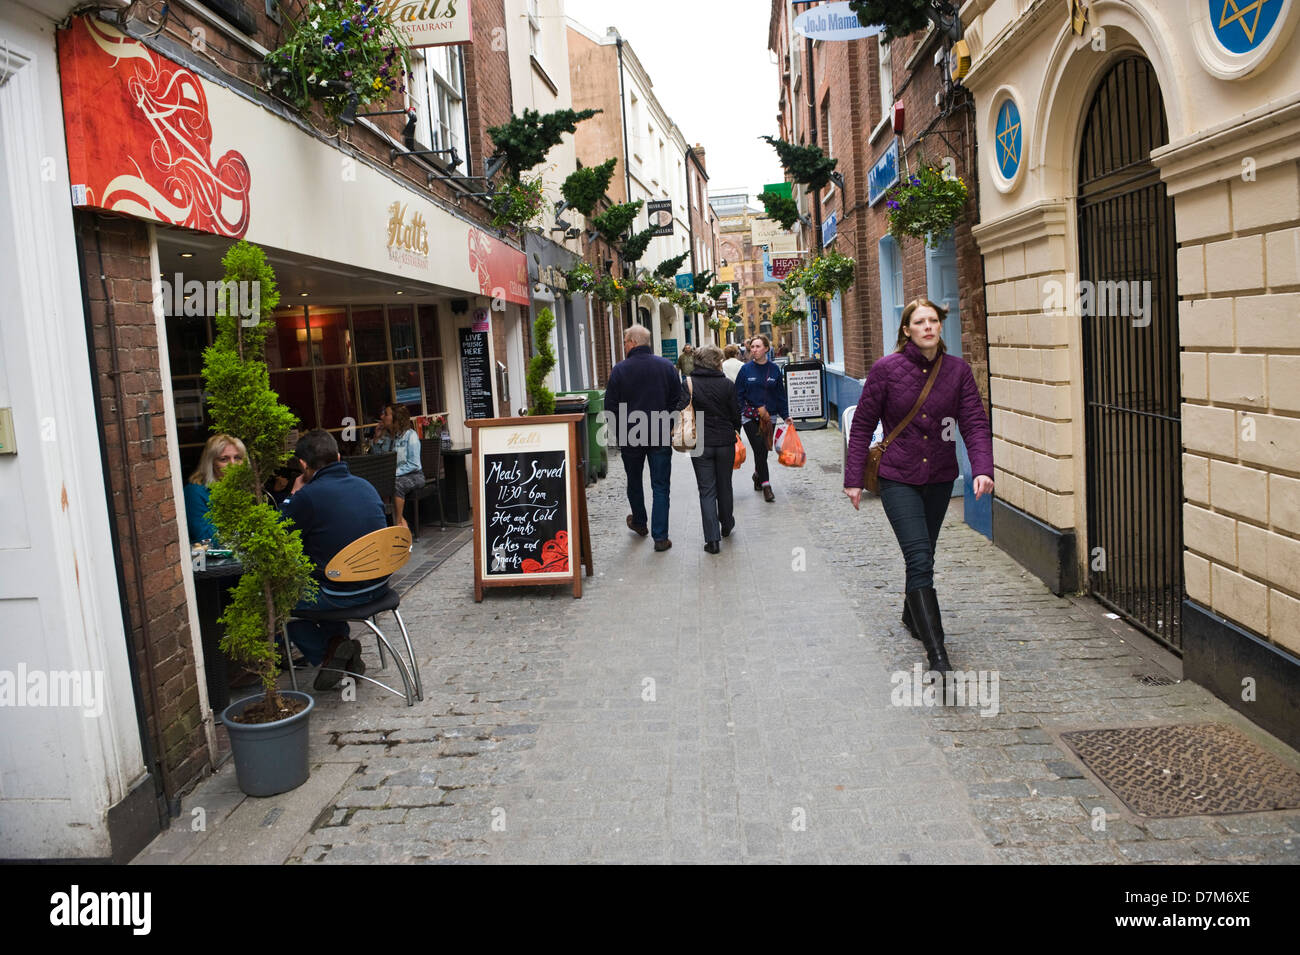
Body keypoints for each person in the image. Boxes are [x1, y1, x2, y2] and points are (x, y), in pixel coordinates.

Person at [843, 299, 994, 675]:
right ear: (907, 330)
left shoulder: (957, 371)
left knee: (924, 553)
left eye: (933, 320)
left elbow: (974, 422)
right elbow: (862, 425)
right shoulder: (886, 370)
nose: (927, 326)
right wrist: (853, 479)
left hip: (941, 477)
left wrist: (982, 468)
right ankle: (938, 654)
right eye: (919, 321)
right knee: (919, 558)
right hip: (897, 477)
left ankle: (913, 616)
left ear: (940, 327)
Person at [280, 429, 390, 689]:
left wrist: (292, 496)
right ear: (339, 456)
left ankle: (328, 653)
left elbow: (278, 535)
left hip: (341, 594)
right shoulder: (366, 486)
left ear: (303, 465)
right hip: (379, 586)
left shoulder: (307, 497)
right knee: (329, 576)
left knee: (281, 601)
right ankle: (340, 648)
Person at [603, 323, 685, 553]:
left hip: (631, 435)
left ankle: (639, 522)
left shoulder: (620, 370)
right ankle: (660, 537)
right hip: (659, 432)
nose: (625, 346)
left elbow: (610, 405)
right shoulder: (667, 366)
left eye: (626, 342)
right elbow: (677, 399)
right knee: (660, 485)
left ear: (633, 343)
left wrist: (619, 431)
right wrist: (669, 422)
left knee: (634, 481)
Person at [687, 344, 742, 554]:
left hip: (700, 443)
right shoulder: (727, 385)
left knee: (706, 490)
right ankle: (727, 524)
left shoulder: (689, 384)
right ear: (716, 362)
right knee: (724, 485)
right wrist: (734, 430)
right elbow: (736, 414)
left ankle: (712, 540)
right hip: (725, 441)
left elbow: (680, 411)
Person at [735, 334, 789, 503]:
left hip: (769, 417)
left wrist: (786, 416)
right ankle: (766, 485)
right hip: (749, 416)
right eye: (752, 347)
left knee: (764, 450)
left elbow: (780, 395)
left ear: (766, 348)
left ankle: (758, 475)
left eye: (758, 346)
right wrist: (743, 411)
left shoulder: (774, 370)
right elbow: (738, 395)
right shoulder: (745, 370)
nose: (754, 350)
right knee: (759, 448)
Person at [183, 434, 246, 543]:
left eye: (237, 458)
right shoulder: (194, 492)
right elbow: (205, 537)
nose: (233, 464)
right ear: (210, 463)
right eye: (224, 459)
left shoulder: (240, 487)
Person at [370, 402, 424, 531]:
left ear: (396, 418)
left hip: (414, 475)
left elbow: (414, 464)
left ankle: (398, 523)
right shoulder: (387, 436)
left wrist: (392, 474)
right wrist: (376, 440)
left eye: (386, 414)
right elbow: (379, 458)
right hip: (392, 476)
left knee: (395, 484)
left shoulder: (410, 435)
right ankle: (384, 524)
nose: (382, 417)